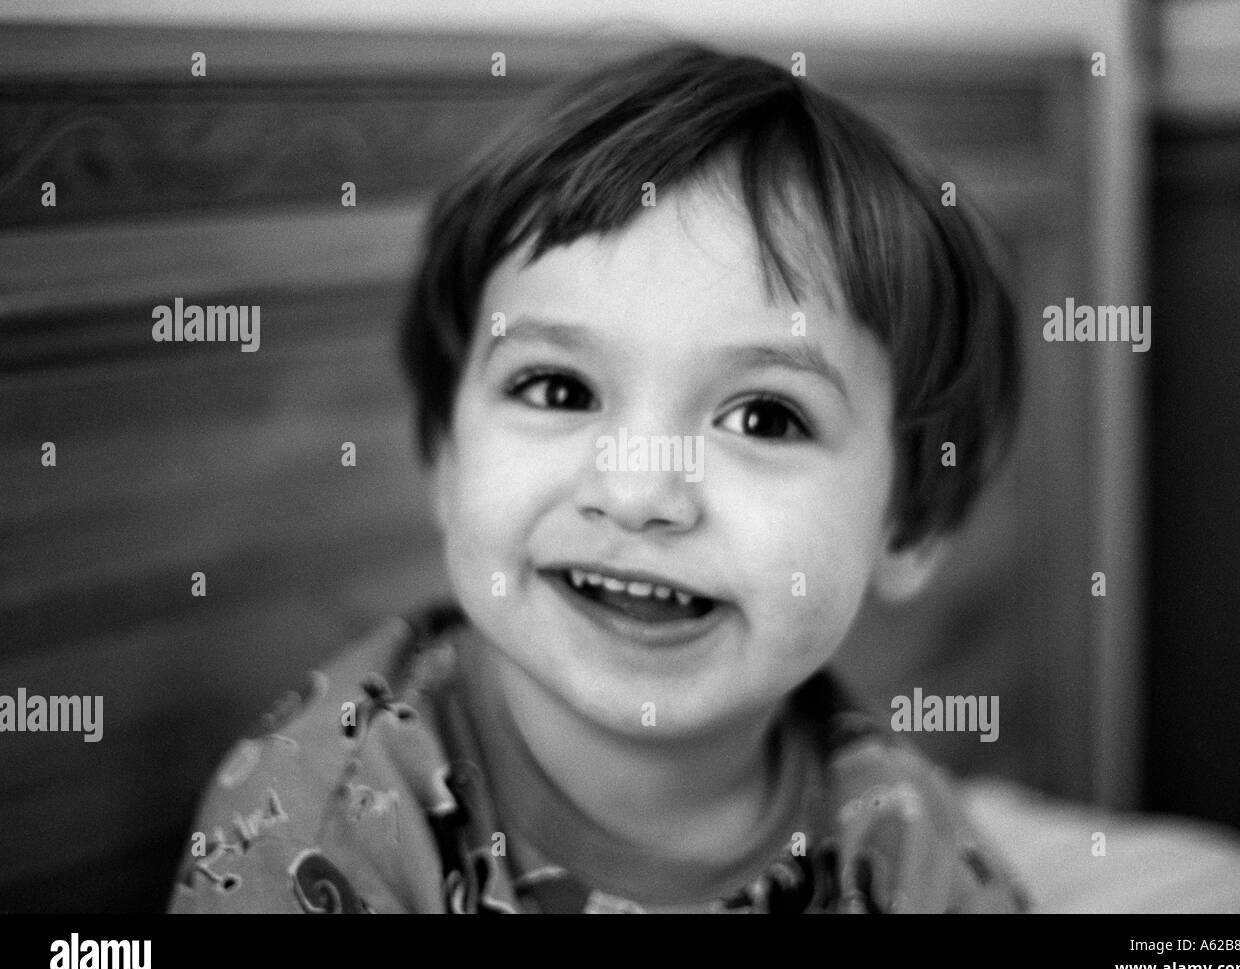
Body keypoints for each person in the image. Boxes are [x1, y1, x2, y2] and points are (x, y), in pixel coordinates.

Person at [169, 41, 1026, 914]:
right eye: (559, 389)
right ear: (447, 455)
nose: (638, 493)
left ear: (908, 524)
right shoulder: (323, 822)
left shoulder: (902, 838)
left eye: (765, 417)